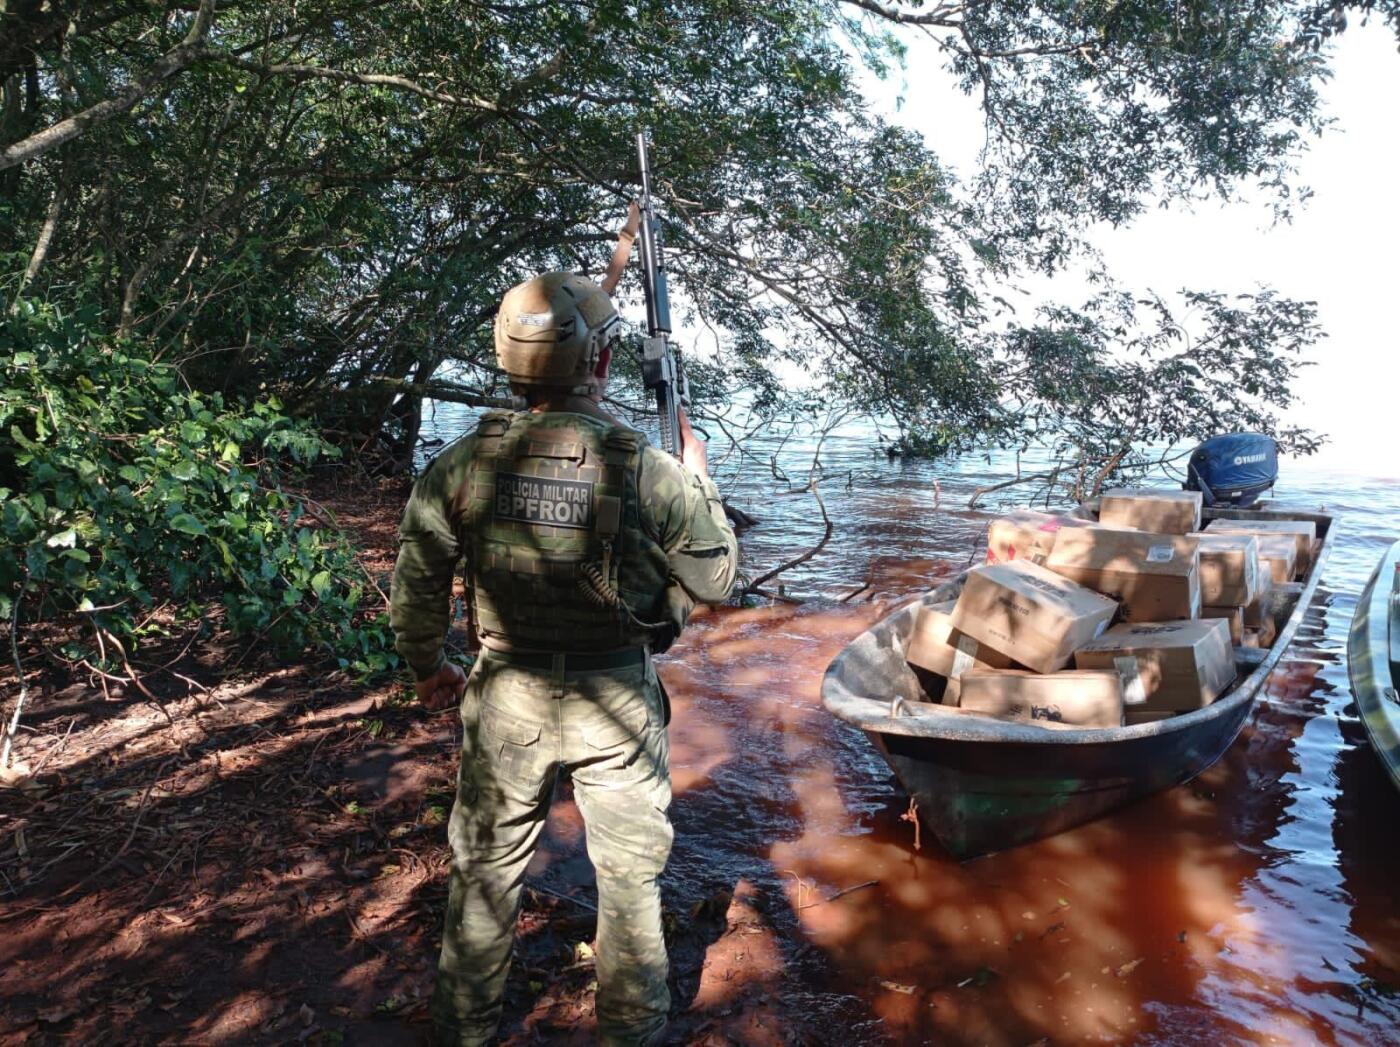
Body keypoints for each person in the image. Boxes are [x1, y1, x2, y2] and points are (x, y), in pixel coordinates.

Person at [389, 270, 739, 1046]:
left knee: (483, 874)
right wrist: (701, 479)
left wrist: (426, 667)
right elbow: (715, 579)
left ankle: (465, 1030)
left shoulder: (462, 463)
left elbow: (416, 583)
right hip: (614, 696)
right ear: (601, 363)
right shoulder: (646, 467)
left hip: (505, 692)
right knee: (629, 883)